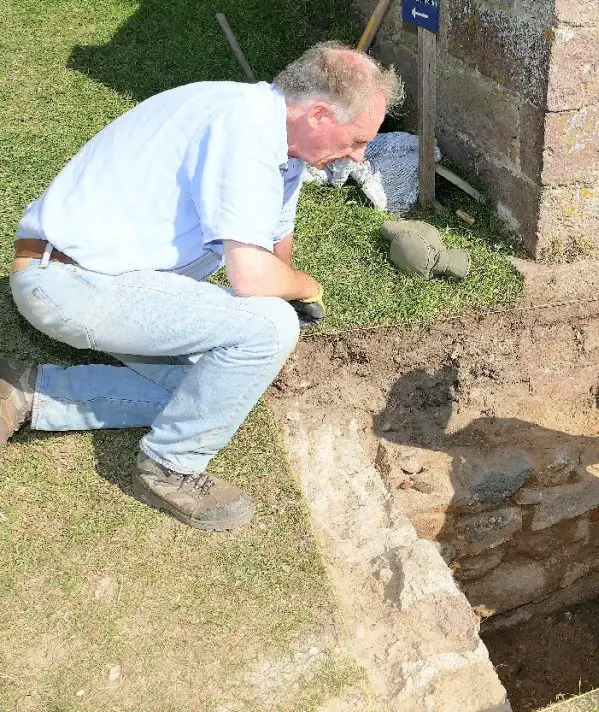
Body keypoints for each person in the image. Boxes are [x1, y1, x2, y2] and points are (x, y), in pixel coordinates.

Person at [0, 42, 402, 531]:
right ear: (319, 114)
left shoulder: (282, 144)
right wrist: (303, 289)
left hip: (114, 280)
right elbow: (252, 277)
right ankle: (171, 465)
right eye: (358, 140)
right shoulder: (244, 129)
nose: (358, 158)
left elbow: (277, 237)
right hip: (71, 280)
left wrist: (281, 293)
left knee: (213, 393)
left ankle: (26, 390)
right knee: (268, 327)